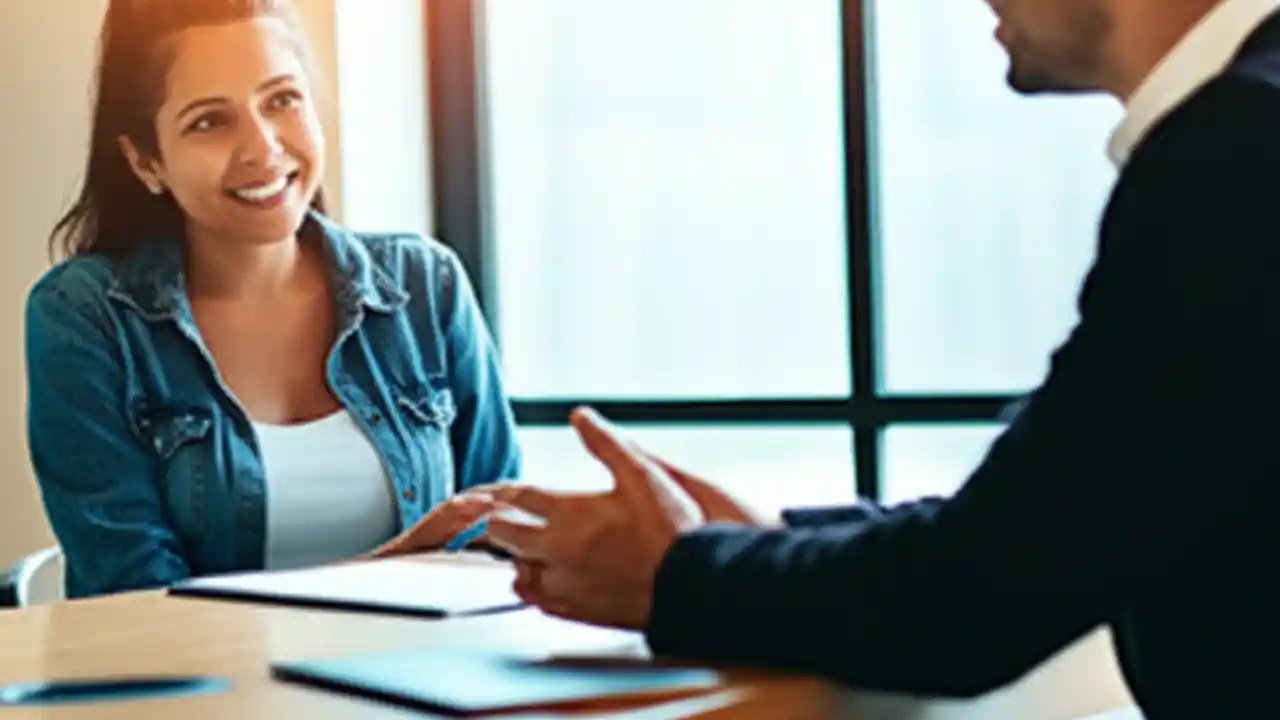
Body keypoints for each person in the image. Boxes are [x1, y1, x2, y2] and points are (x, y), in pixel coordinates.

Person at [482, 0, 1280, 716]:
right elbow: (1065, 508)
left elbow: (980, 600)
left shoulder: (1235, 154)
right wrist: (760, 538)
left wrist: (675, 574)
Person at [26, 0, 519, 599]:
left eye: (282, 100)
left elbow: (501, 543)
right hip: (186, 665)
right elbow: (134, 597)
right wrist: (385, 570)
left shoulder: (425, 285)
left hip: (429, 660)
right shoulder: (87, 316)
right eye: (210, 121)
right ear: (147, 161)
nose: (262, 149)